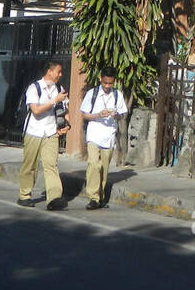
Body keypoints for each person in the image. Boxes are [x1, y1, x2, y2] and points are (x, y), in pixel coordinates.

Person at [17, 61, 68, 211]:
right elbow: (36, 110)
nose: (60, 75)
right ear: (50, 72)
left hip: (51, 132)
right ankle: (25, 195)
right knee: (30, 165)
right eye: (58, 72)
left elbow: (65, 109)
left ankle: (54, 198)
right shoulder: (34, 88)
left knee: (51, 165)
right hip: (34, 131)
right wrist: (54, 101)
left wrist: (66, 125)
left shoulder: (59, 89)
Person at [78, 67, 128, 210]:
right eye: (105, 83)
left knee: (104, 168)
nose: (107, 86)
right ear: (101, 79)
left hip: (109, 136)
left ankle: (100, 196)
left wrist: (116, 115)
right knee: (94, 164)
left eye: (110, 84)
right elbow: (84, 114)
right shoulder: (92, 94)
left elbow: (123, 114)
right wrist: (98, 115)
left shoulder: (117, 95)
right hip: (94, 135)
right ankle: (93, 197)